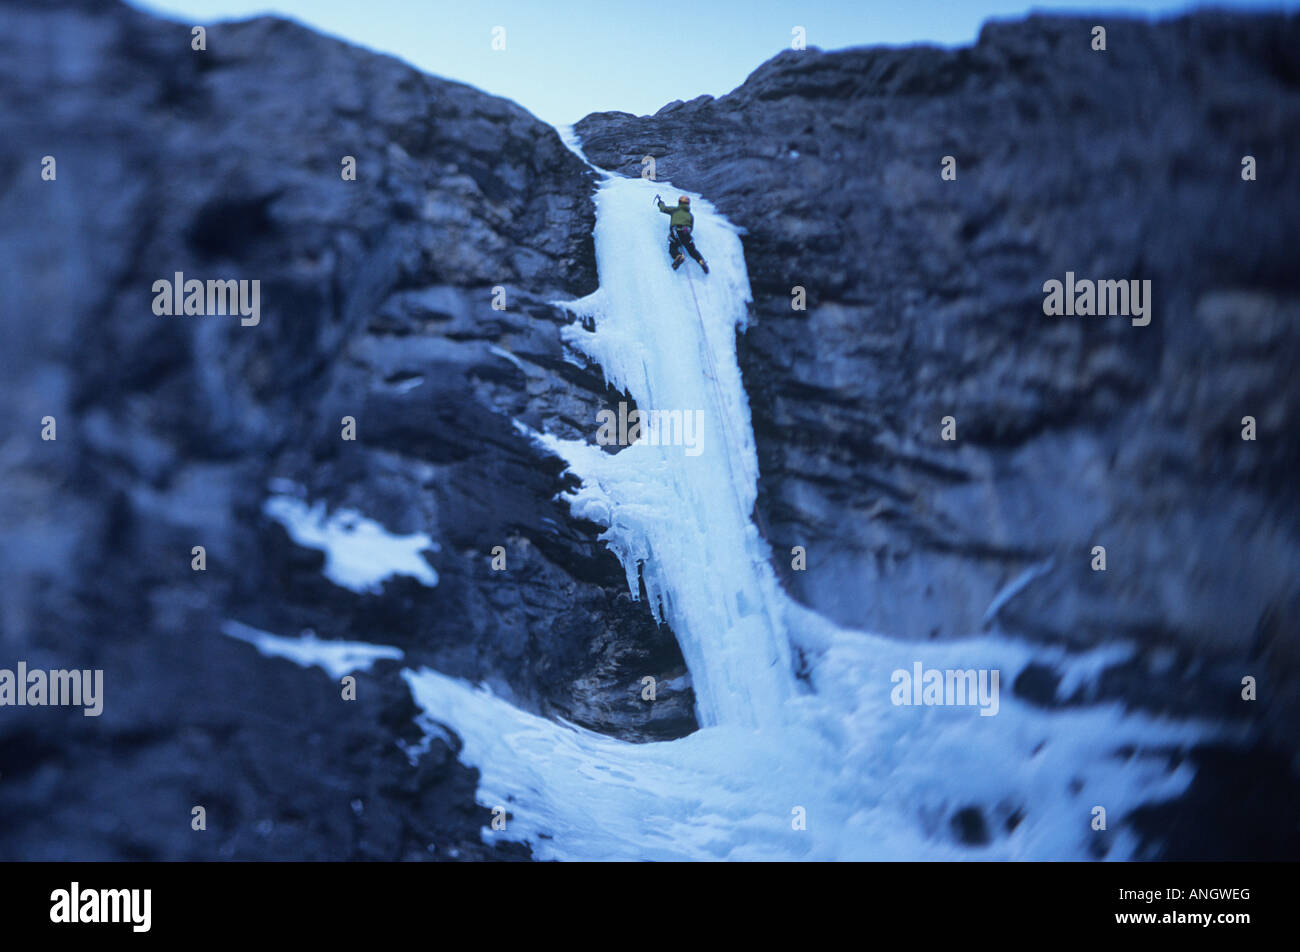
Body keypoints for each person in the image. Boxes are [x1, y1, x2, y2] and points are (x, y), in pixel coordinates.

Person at [655, 195, 708, 273]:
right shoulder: (690, 215)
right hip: (686, 234)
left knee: (673, 248)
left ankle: (678, 256)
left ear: (679, 203)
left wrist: (660, 203)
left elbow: (663, 209)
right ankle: (701, 261)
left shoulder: (674, 210)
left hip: (675, 232)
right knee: (692, 251)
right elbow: (691, 227)